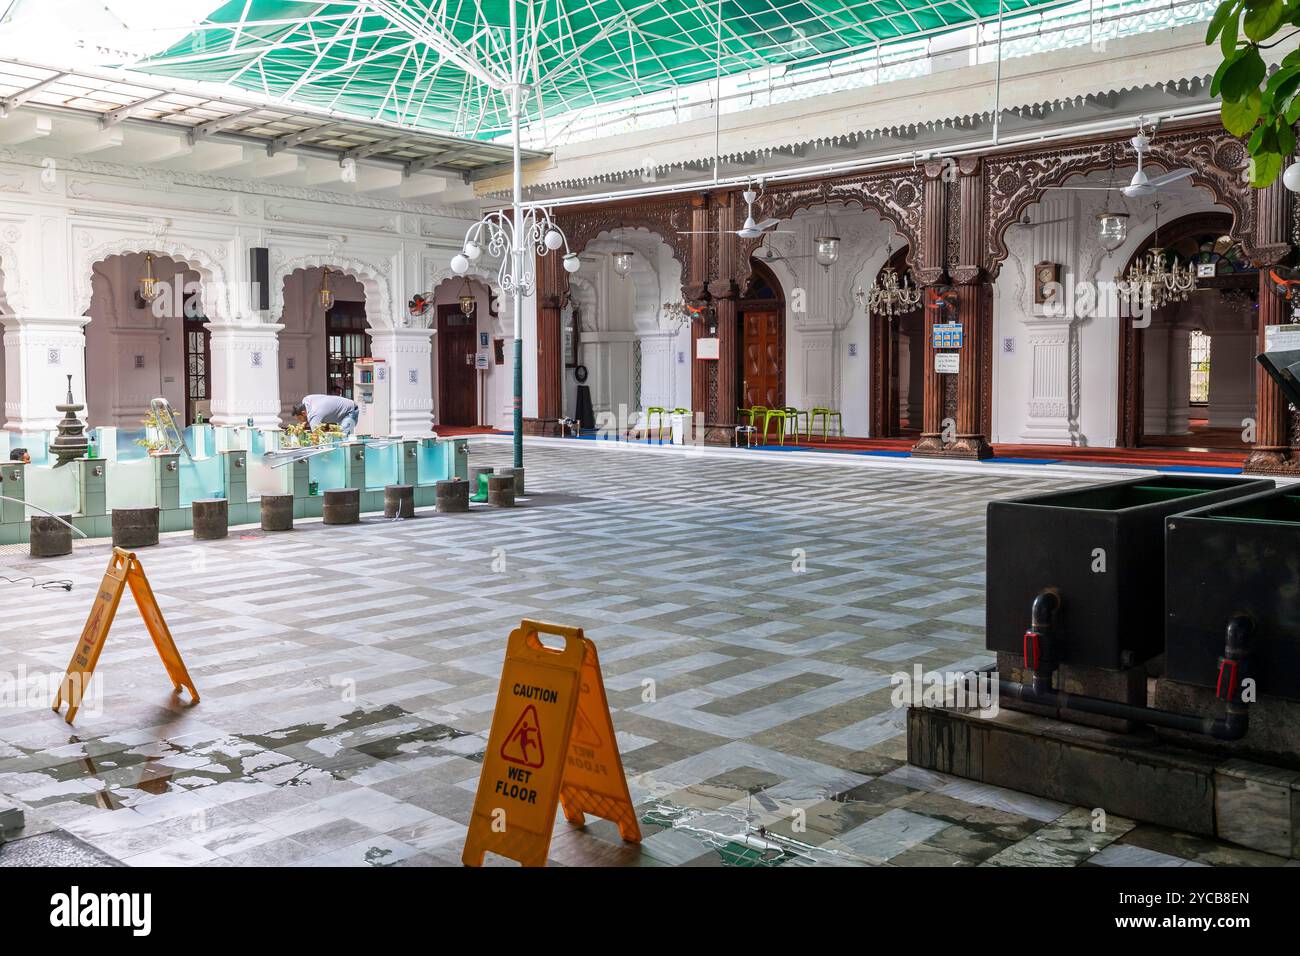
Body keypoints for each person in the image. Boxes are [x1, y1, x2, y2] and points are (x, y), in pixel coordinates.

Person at [292, 394, 360, 436]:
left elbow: (316, 435)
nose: (300, 422)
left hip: (350, 411)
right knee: (337, 435)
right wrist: (304, 424)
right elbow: (307, 416)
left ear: (304, 413)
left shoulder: (315, 415)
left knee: (342, 437)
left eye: (300, 419)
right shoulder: (306, 399)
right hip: (342, 409)